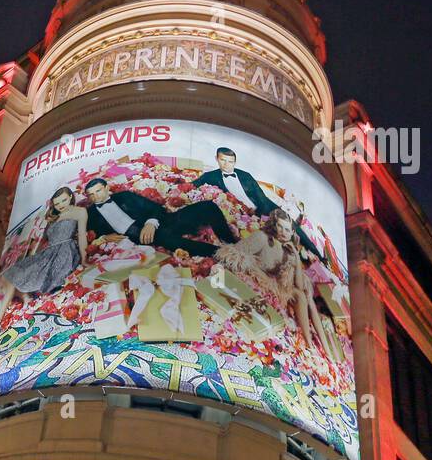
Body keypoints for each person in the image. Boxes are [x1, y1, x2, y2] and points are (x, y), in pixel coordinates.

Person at [214, 210, 334, 357]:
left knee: (304, 294)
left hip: (274, 285)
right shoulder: (262, 238)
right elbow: (235, 253)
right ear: (274, 226)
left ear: (292, 233)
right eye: (280, 227)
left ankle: (319, 345)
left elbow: (299, 285)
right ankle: (310, 344)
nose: (283, 232)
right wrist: (256, 272)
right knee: (301, 296)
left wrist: (296, 258)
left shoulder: (288, 250)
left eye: (287, 230)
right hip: (254, 278)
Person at [193, 147, 322, 262]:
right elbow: (192, 184)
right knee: (272, 243)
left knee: (290, 225)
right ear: (217, 159)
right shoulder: (210, 176)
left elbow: (261, 198)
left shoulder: (245, 176)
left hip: (264, 207)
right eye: (223, 160)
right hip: (243, 215)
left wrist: (261, 216)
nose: (227, 165)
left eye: (230, 161)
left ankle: (317, 255)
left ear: (235, 162)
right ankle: (300, 258)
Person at [84, 177, 237, 258]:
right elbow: (87, 237)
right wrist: (104, 237)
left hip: (158, 224)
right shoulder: (90, 214)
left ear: (106, 188)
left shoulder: (125, 196)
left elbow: (155, 208)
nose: (95, 196)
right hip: (136, 240)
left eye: (98, 191)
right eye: (91, 194)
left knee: (207, 206)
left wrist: (150, 223)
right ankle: (225, 255)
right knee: (168, 239)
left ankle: (232, 243)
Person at [1, 187, 88, 305]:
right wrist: (33, 257)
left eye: (64, 200)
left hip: (66, 251)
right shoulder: (53, 217)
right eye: (57, 203)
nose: (61, 205)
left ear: (71, 197)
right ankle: (25, 296)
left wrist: (84, 259)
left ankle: (29, 296)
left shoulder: (79, 211)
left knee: (48, 275)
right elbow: (43, 241)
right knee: (15, 271)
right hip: (48, 251)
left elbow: (82, 235)